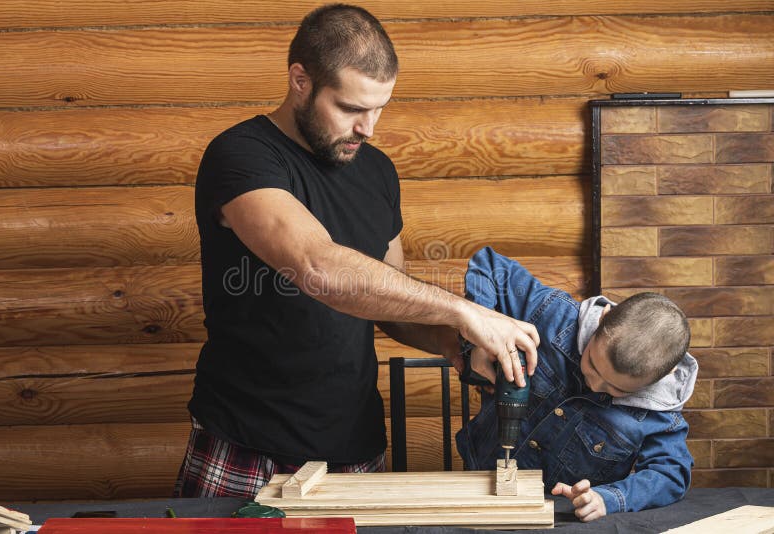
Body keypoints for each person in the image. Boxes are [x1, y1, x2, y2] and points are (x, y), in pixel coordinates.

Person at [174, 4, 540, 499]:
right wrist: (463, 310)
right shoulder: (241, 155)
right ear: (300, 80)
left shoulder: (377, 171)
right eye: (350, 108)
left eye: (379, 107)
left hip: (356, 446)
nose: (368, 127)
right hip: (246, 445)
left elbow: (392, 307)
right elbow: (317, 267)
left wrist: (460, 346)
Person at [456, 247, 698, 522]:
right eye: (592, 364)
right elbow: (489, 265)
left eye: (616, 389)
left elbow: (670, 474)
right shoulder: (553, 316)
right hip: (478, 478)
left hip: (559, 517)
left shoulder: (658, 413)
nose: (594, 385)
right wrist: (480, 334)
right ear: (604, 318)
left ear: (661, 377)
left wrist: (609, 499)